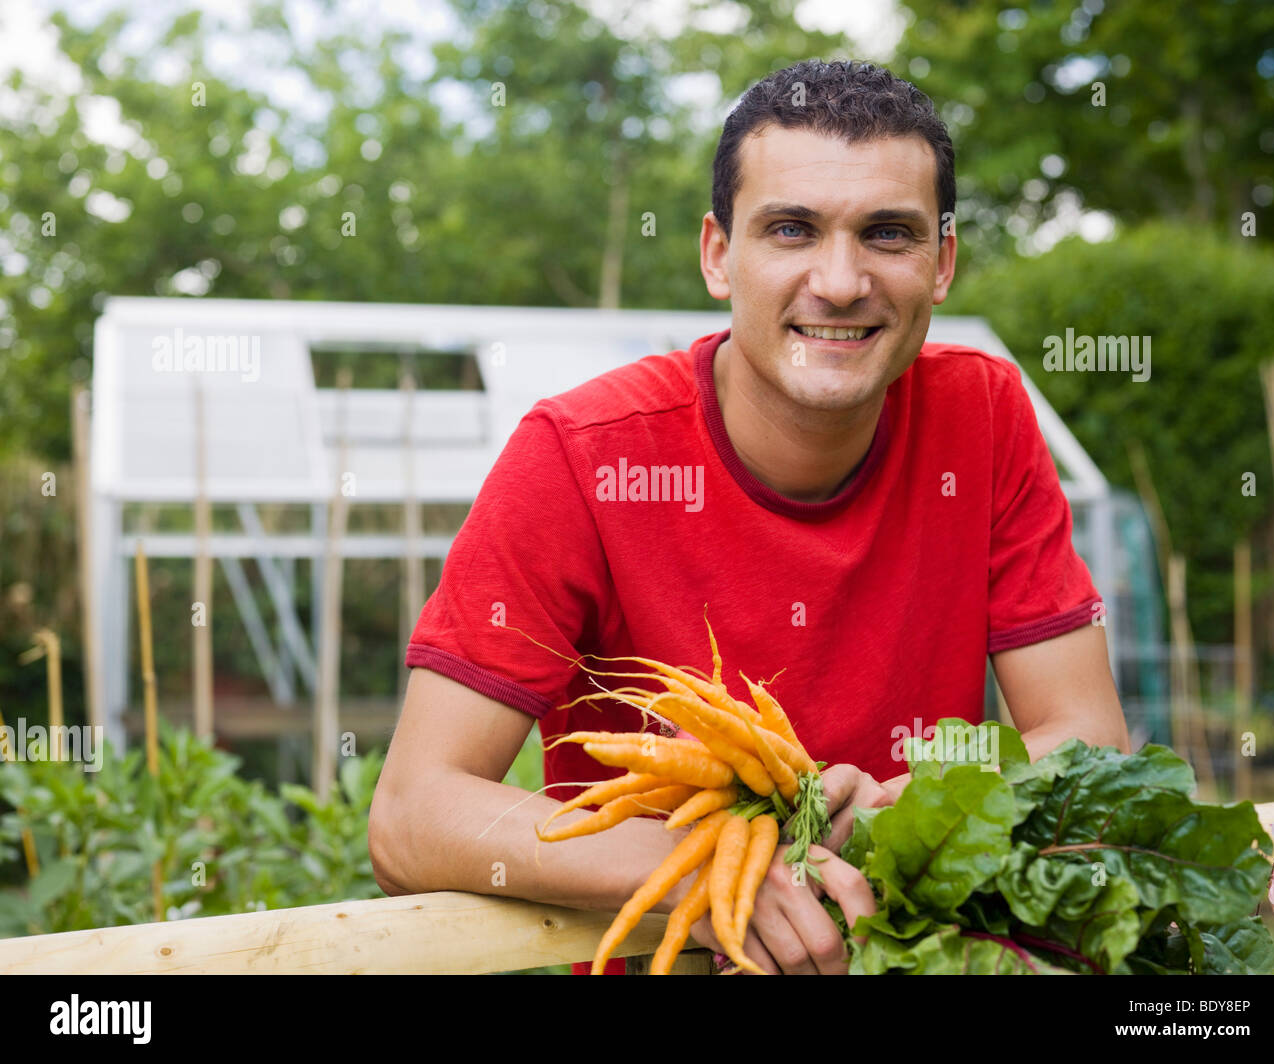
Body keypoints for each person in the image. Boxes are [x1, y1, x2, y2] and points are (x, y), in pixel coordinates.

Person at [368, 59, 1130, 975]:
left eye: (889, 234)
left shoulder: (986, 415)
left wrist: (900, 805)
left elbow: (1089, 738)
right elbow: (413, 814)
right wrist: (712, 865)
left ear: (944, 263)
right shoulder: (580, 454)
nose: (841, 281)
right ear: (718, 254)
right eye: (792, 229)